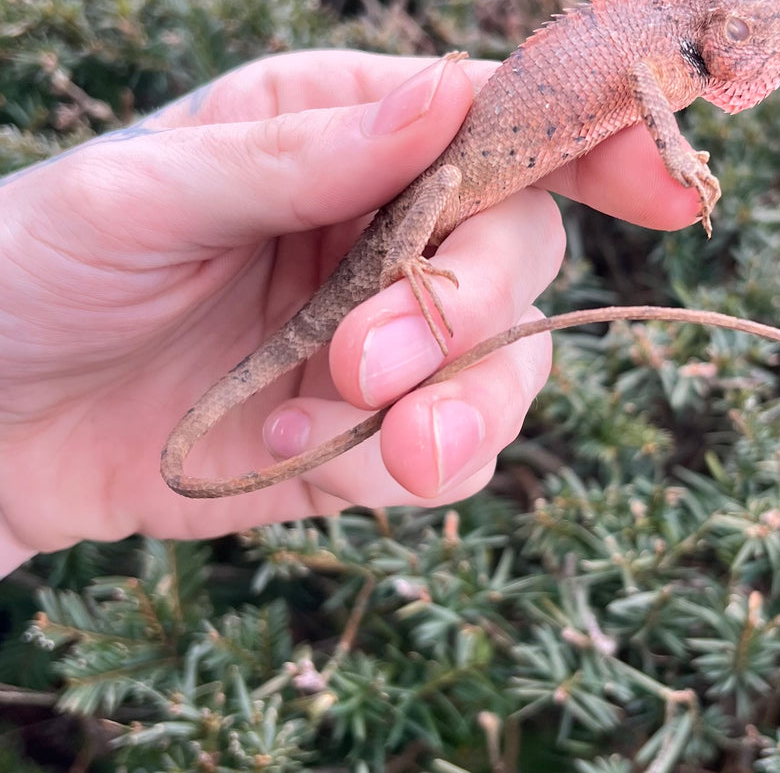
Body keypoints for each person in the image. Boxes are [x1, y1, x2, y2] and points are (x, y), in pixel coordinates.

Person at [0, 50, 704, 577]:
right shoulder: (664, 51)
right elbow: (642, 84)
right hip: (423, 208)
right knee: (451, 190)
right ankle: (407, 261)